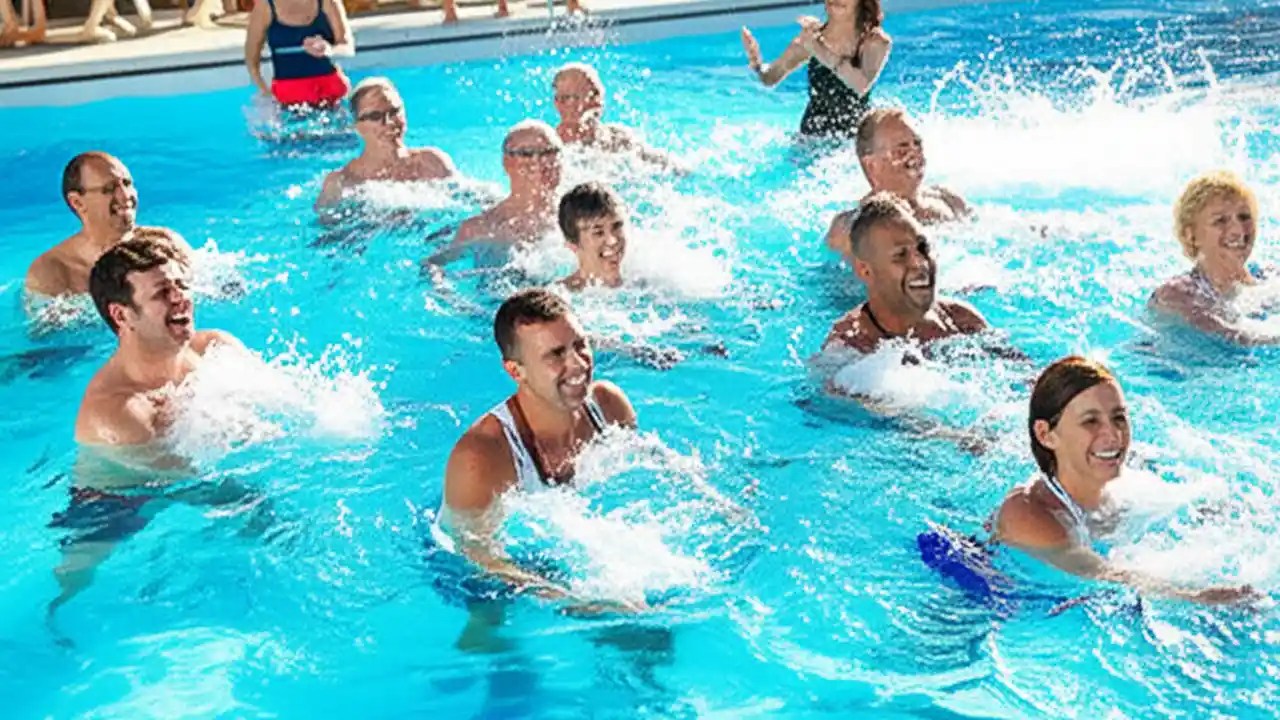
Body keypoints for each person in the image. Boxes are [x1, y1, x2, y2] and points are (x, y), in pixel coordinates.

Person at [988, 356, 1257, 605]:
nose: (1113, 435)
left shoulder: (1131, 481)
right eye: (1090, 421)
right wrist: (1195, 596)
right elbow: (1102, 574)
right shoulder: (1025, 514)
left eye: (1119, 418)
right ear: (1046, 434)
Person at [440, 289, 638, 603]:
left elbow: (649, 464)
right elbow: (477, 554)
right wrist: (578, 602)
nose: (577, 364)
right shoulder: (482, 456)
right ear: (516, 371)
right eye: (556, 354)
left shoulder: (608, 406)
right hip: (466, 575)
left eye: (580, 345)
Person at [76, 238, 241, 447]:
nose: (180, 298)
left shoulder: (215, 348)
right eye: (162, 292)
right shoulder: (120, 416)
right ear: (121, 316)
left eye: (182, 285)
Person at [823, 193, 986, 354]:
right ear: (865, 271)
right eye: (901, 255)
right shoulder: (849, 346)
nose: (921, 263)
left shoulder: (962, 321)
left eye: (923, 248)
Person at [26, 152, 192, 301]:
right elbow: (44, 334)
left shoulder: (166, 243)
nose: (125, 195)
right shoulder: (52, 272)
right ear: (77, 202)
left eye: (127, 184)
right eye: (109, 189)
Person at [1149, 170, 1278, 345]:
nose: (1237, 230)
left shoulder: (1270, 278)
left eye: (1244, 217)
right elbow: (1233, 336)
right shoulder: (1176, 294)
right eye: (1220, 220)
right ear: (1191, 235)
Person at [826, 108, 969, 259]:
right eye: (902, 149)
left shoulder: (949, 200)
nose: (915, 153)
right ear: (872, 165)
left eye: (917, 143)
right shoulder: (850, 228)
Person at [741, 0, 891, 139]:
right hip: (810, 140)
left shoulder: (875, 41)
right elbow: (770, 78)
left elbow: (860, 85)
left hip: (852, 143)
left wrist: (818, 49)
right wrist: (757, 63)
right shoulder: (811, 38)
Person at [315, 77, 458, 216]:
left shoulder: (431, 162)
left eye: (395, 112)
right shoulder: (341, 182)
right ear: (356, 126)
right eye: (375, 116)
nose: (389, 122)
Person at [427, 121, 562, 266]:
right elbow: (432, 265)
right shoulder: (480, 229)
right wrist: (442, 287)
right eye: (527, 153)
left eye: (550, 152)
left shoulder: (579, 212)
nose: (542, 161)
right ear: (506, 162)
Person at [551, 63, 683, 170]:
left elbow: (662, 163)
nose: (560, 104)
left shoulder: (617, 137)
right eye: (558, 98)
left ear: (595, 102)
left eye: (568, 97)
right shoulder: (552, 146)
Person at [244, 0, 354, 110]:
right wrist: (265, 92)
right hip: (288, 97)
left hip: (332, 91)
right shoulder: (265, 6)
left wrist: (328, 49)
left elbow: (347, 48)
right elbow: (251, 61)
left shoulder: (328, 2)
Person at [557, 182, 627, 291]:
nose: (612, 241)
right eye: (598, 232)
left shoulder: (647, 286)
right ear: (572, 245)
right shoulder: (559, 296)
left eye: (616, 226)